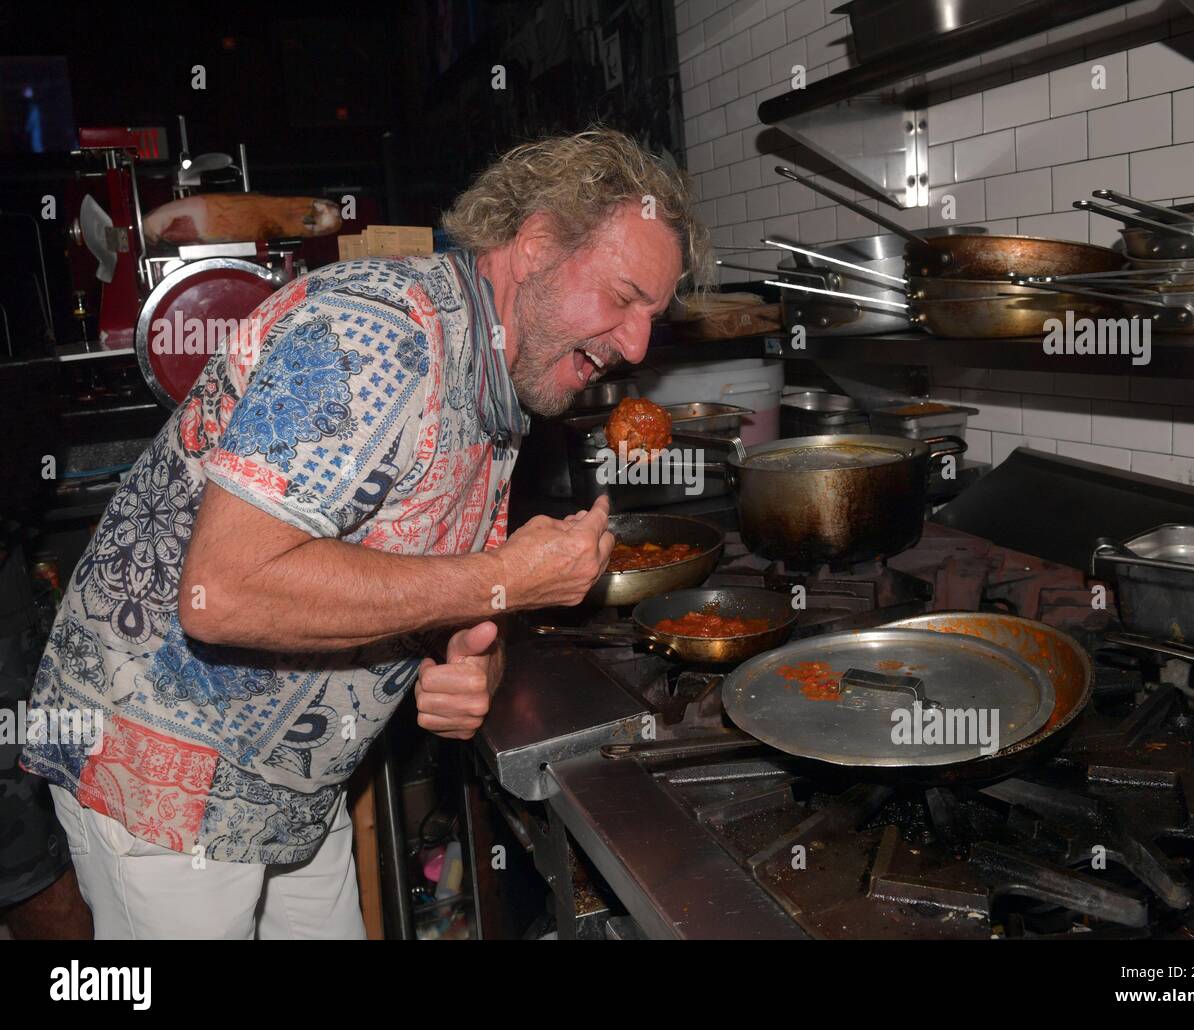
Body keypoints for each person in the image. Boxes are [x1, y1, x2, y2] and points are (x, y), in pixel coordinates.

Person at [21, 127, 708, 939]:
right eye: (624, 296)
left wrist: (478, 659)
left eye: (651, 317)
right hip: (168, 783)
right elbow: (225, 593)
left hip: (290, 784)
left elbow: (441, 571)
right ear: (535, 245)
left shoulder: (495, 378)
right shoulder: (375, 334)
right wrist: (503, 583)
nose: (635, 345)